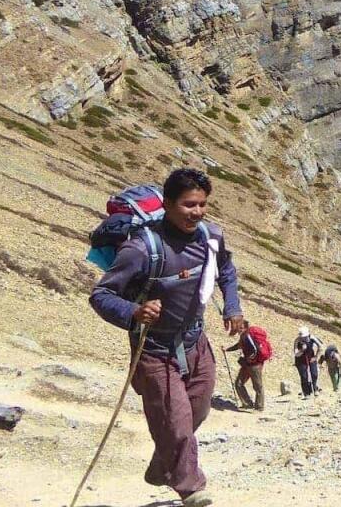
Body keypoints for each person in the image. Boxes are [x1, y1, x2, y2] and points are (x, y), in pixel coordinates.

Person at [89, 168, 244, 507]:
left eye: (203, 205)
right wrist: (134, 312)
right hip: (155, 349)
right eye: (189, 205)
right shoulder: (142, 249)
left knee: (197, 412)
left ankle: (163, 467)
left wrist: (232, 308)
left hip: (196, 342)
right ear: (168, 204)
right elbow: (101, 295)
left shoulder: (210, 237)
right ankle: (192, 489)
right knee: (176, 423)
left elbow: (227, 271)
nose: (198, 212)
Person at [226, 319, 269, 411]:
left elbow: (255, 349)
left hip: (254, 365)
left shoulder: (247, 336)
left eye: (241, 328)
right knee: (239, 383)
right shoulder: (244, 336)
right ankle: (248, 404)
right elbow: (238, 346)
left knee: (257, 386)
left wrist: (250, 358)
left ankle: (259, 407)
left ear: (245, 327)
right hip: (249, 364)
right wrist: (227, 349)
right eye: (239, 328)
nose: (239, 330)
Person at [293, 327, 323, 398]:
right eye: (302, 337)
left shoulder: (312, 338)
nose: (303, 338)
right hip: (300, 360)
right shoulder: (297, 340)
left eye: (305, 336)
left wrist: (316, 357)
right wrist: (302, 350)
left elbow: (320, 346)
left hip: (311, 357)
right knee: (304, 376)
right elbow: (296, 353)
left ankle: (315, 388)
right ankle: (306, 393)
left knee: (314, 373)